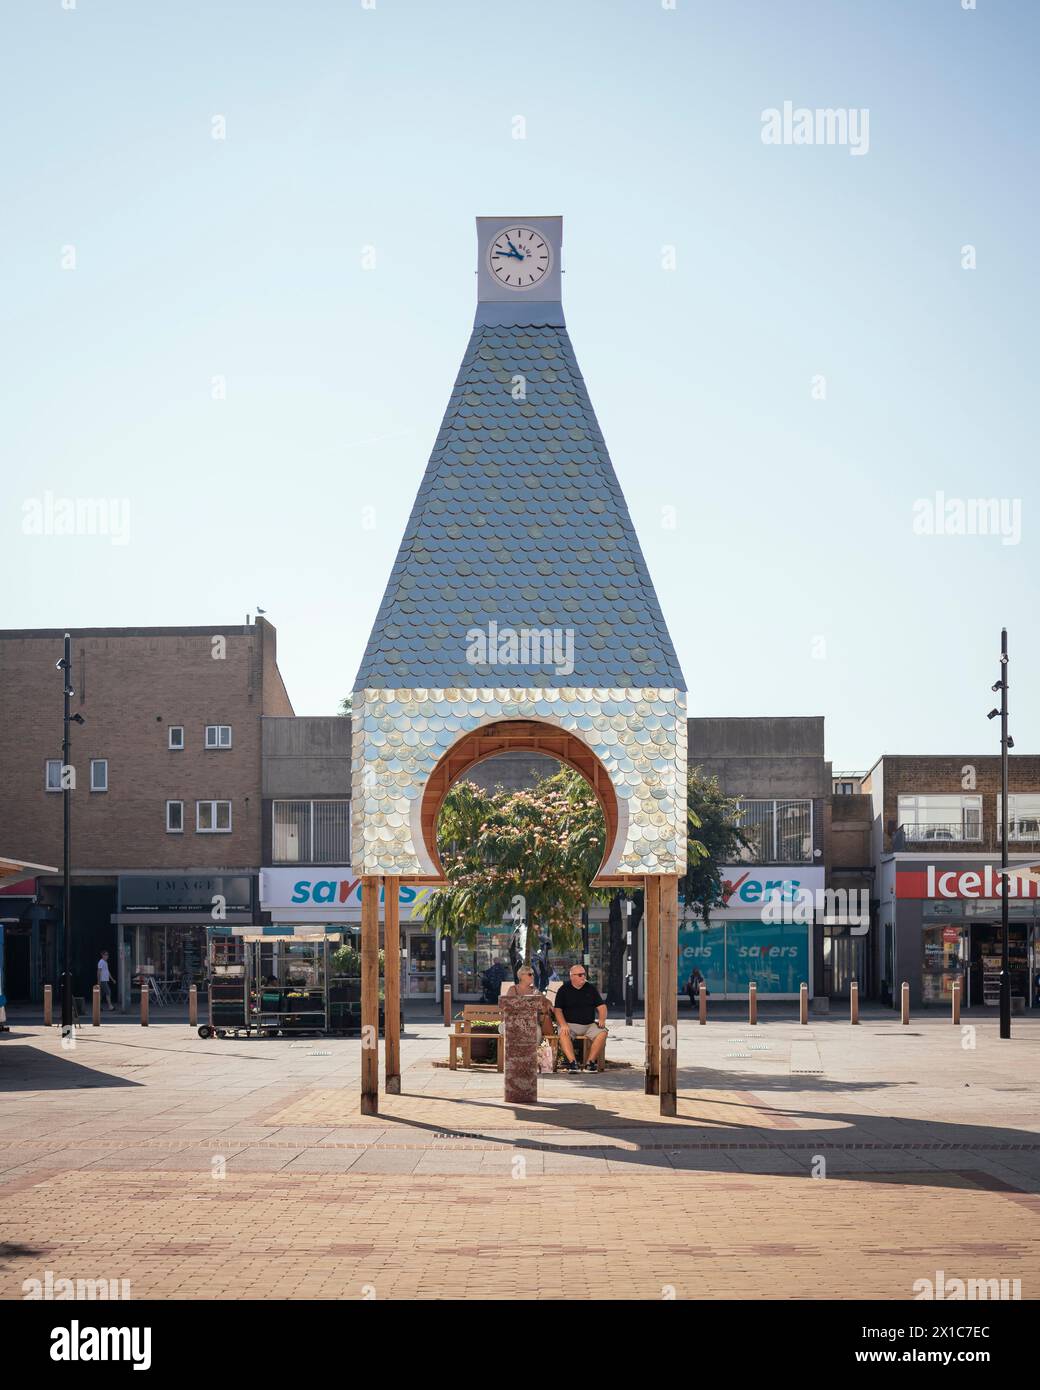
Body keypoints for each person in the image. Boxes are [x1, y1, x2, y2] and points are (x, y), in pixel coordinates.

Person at [553, 964, 608, 1072]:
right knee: (563, 1033)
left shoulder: (590, 988)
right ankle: (572, 1063)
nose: (583, 976)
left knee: (603, 1033)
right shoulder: (563, 989)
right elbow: (557, 1010)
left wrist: (602, 1019)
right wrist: (563, 1024)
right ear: (572, 976)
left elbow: (602, 1007)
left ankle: (590, 1063)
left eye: (584, 974)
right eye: (580, 975)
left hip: (588, 1025)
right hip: (569, 1025)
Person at [503, 966, 554, 1036]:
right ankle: (552, 1042)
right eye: (530, 974)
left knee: (545, 1017)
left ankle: (552, 1042)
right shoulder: (513, 989)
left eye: (533, 974)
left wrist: (548, 1004)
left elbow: (546, 1000)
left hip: (533, 1021)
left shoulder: (534, 990)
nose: (532, 976)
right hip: (517, 1022)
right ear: (521, 976)